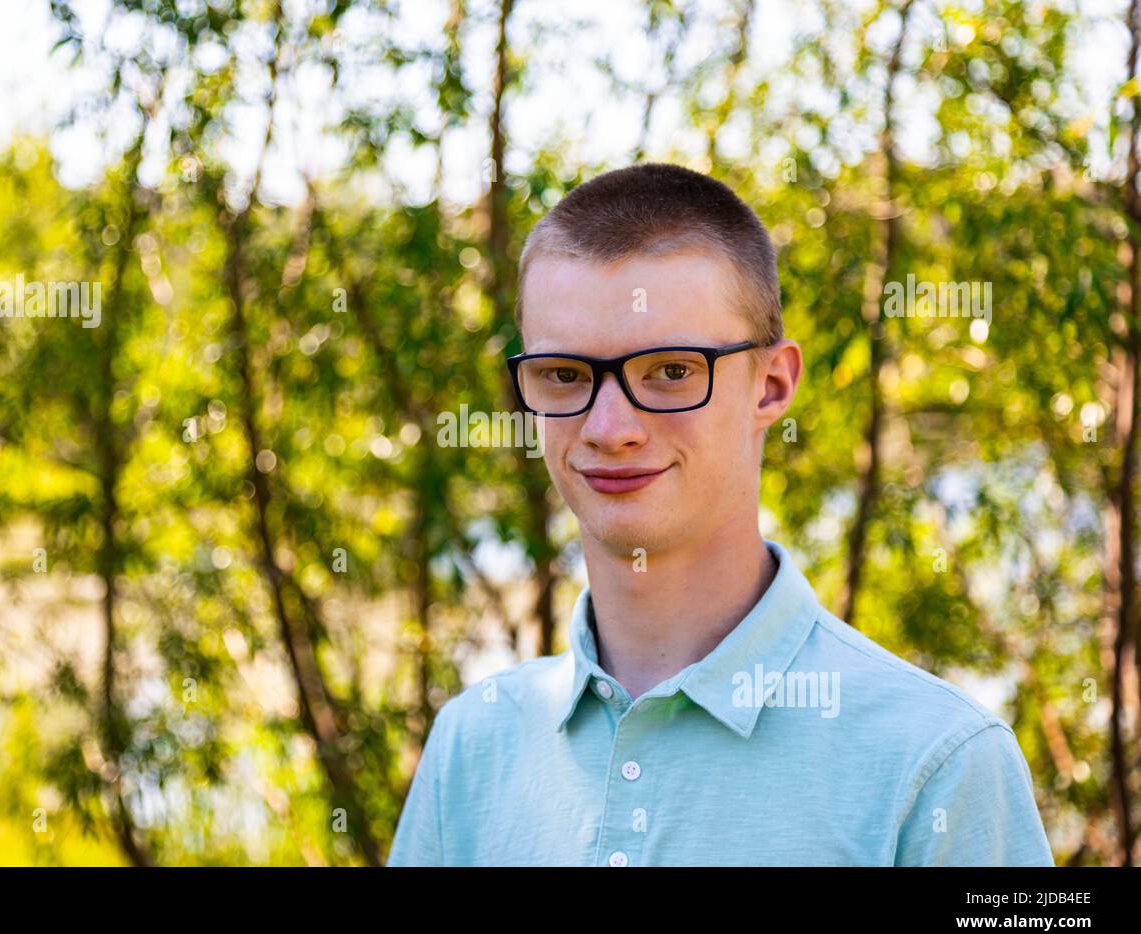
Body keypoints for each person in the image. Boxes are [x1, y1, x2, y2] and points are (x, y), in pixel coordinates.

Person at [387, 162, 1054, 866]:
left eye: (671, 371)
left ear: (770, 385)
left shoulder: (936, 764)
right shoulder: (472, 748)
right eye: (566, 375)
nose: (610, 427)